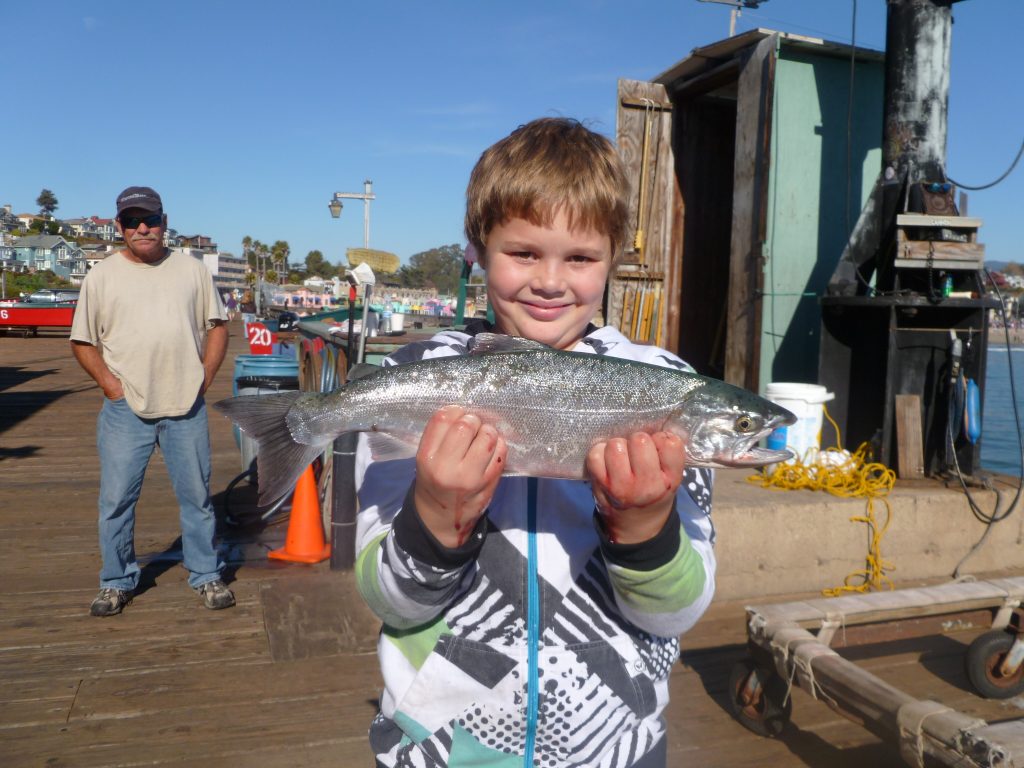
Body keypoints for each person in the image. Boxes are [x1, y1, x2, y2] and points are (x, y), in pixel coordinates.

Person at [354, 118, 716, 767]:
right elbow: (389, 601)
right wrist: (435, 512)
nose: (550, 281)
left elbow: (677, 615)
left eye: (579, 258)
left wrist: (645, 525)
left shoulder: (668, 388)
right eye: (523, 253)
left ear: (613, 259)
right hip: (437, 746)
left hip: (617, 749)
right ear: (478, 249)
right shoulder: (405, 382)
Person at [70, 186, 235, 617]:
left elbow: (217, 325)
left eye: (151, 219)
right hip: (127, 408)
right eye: (131, 221)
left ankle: (205, 574)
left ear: (165, 221)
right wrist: (110, 385)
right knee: (117, 500)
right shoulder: (102, 276)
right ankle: (116, 580)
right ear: (119, 226)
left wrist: (206, 376)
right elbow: (83, 342)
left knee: (197, 498)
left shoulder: (192, 271)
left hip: (186, 405)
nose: (142, 228)